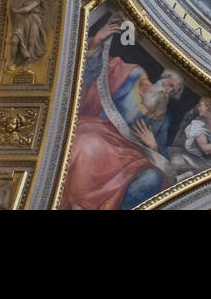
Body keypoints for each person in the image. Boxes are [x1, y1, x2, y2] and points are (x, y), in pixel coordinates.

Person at [59, 18, 185, 209]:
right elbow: (96, 73)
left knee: (153, 178)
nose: (168, 91)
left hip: (131, 155)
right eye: (169, 85)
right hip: (99, 131)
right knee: (86, 144)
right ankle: (76, 201)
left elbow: (164, 154)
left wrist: (154, 146)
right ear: (162, 79)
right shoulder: (133, 75)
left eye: (174, 91)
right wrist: (96, 42)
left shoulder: (162, 117)